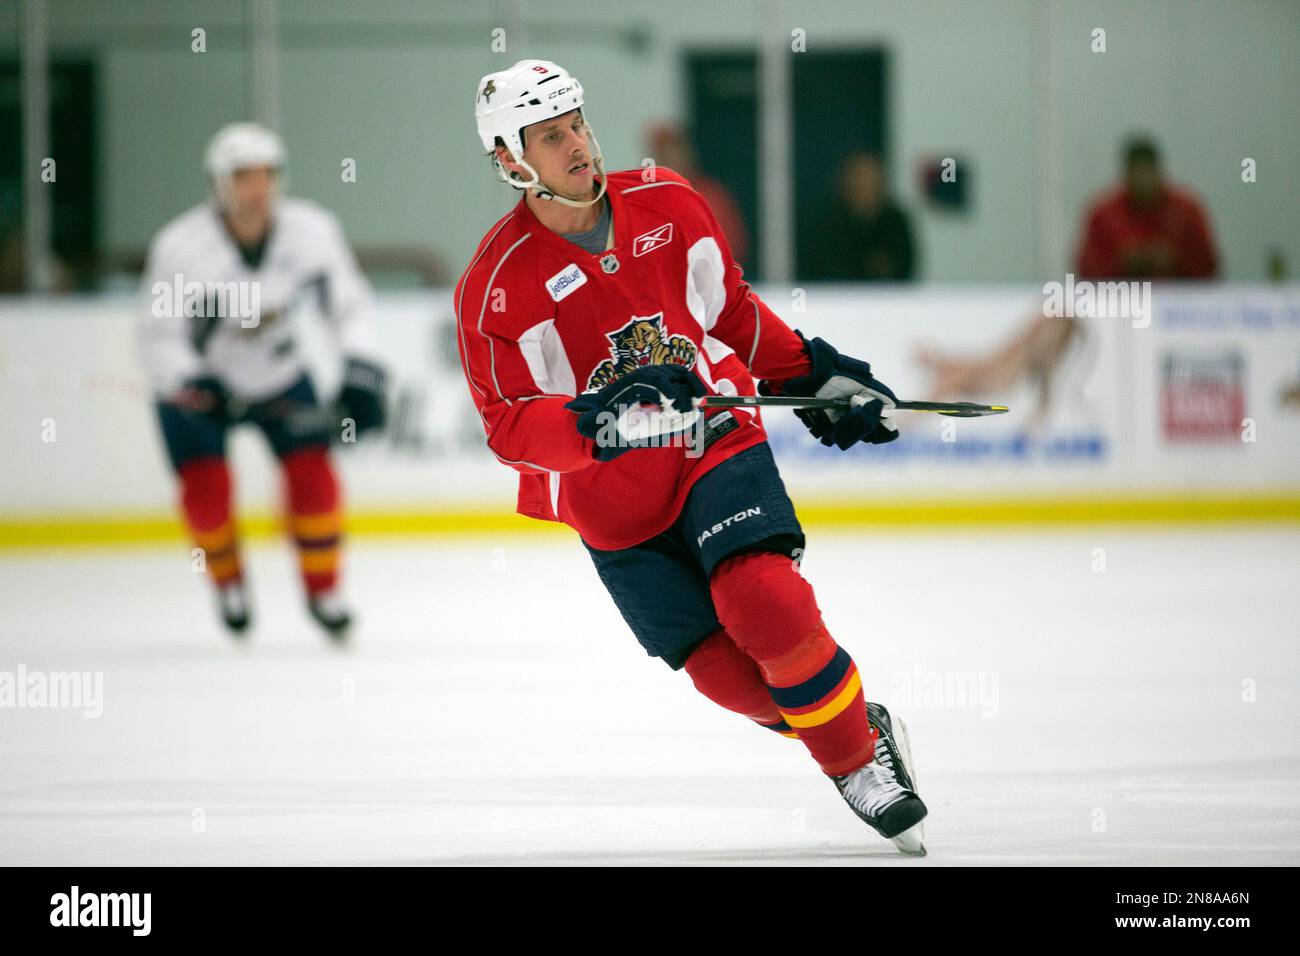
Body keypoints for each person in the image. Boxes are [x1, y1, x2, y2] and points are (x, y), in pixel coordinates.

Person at [457, 59, 927, 852]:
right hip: (613, 510)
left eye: (577, 122)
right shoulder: (497, 286)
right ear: (511, 162)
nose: (578, 144)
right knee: (725, 676)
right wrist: (598, 425)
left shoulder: (667, 201)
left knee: (764, 603)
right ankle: (856, 721)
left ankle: (855, 764)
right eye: (550, 136)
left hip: (714, 444)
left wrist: (813, 373)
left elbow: (731, 312)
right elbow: (509, 425)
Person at [137, 122, 388, 640]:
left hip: (278, 374)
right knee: (206, 494)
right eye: (243, 177)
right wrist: (192, 382)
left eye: (267, 175)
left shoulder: (312, 231)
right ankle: (228, 582)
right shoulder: (181, 248)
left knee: (314, 479)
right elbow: (159, 335)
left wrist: (360, 370)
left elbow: (349, 305)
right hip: (202, 391)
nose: (257, 189)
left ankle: (324, 590)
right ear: (217, 184)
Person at [1075, 136, 1218, 280]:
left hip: (1180, 298)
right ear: (1126, 174)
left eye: (1147, 171)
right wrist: (1123, 262)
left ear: (1158, 172)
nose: (1143, 180)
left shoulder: (1186, 210)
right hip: (1120, 298)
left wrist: (1176, 259)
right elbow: (1086, 269)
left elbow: (1209, 266)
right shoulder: (1104, 214)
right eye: (1137, 172)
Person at [644, 121, 750, 268]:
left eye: (676, 150)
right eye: (663, 153)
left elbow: (733, 247)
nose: (672, 159)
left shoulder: (710, 195)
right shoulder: (644, 199)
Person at [801, 151, 917, 281]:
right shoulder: (827, 224)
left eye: (873, 180)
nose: (867, 185)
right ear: (847, 182)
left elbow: (902, 267)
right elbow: (827, 269)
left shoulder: (895, 220)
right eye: (861, 178)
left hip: (888, 299)